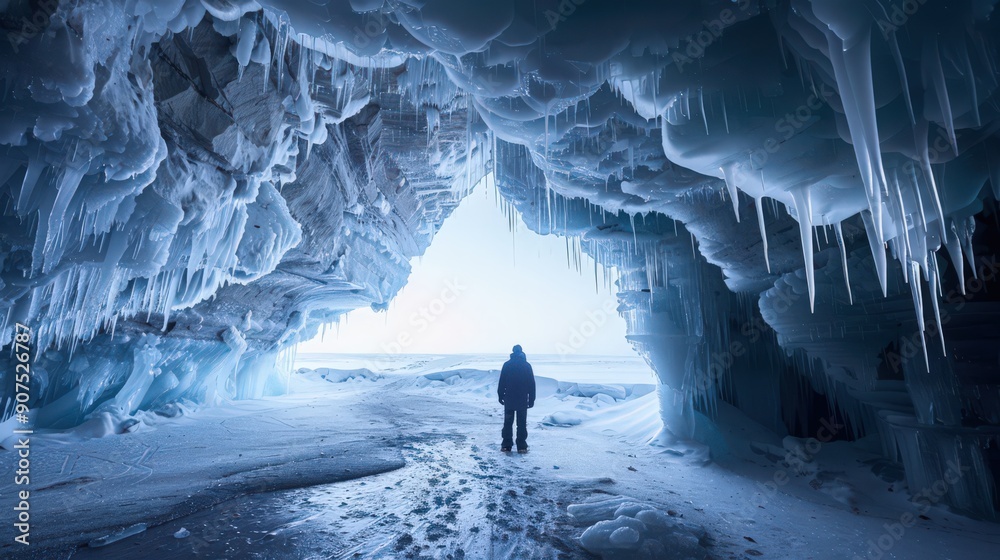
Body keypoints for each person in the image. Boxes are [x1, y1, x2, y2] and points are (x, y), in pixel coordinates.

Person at [497, 344, 536, 453]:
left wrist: (500, 395)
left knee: (508, 422)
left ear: (513, 352)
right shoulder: (526, 365)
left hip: (509, 398)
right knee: (521, 423)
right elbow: (531, 384)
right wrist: (532, 399)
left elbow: (502, 382)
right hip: (522, 399)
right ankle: (522, 446)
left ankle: (506, 445)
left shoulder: (507, 365)